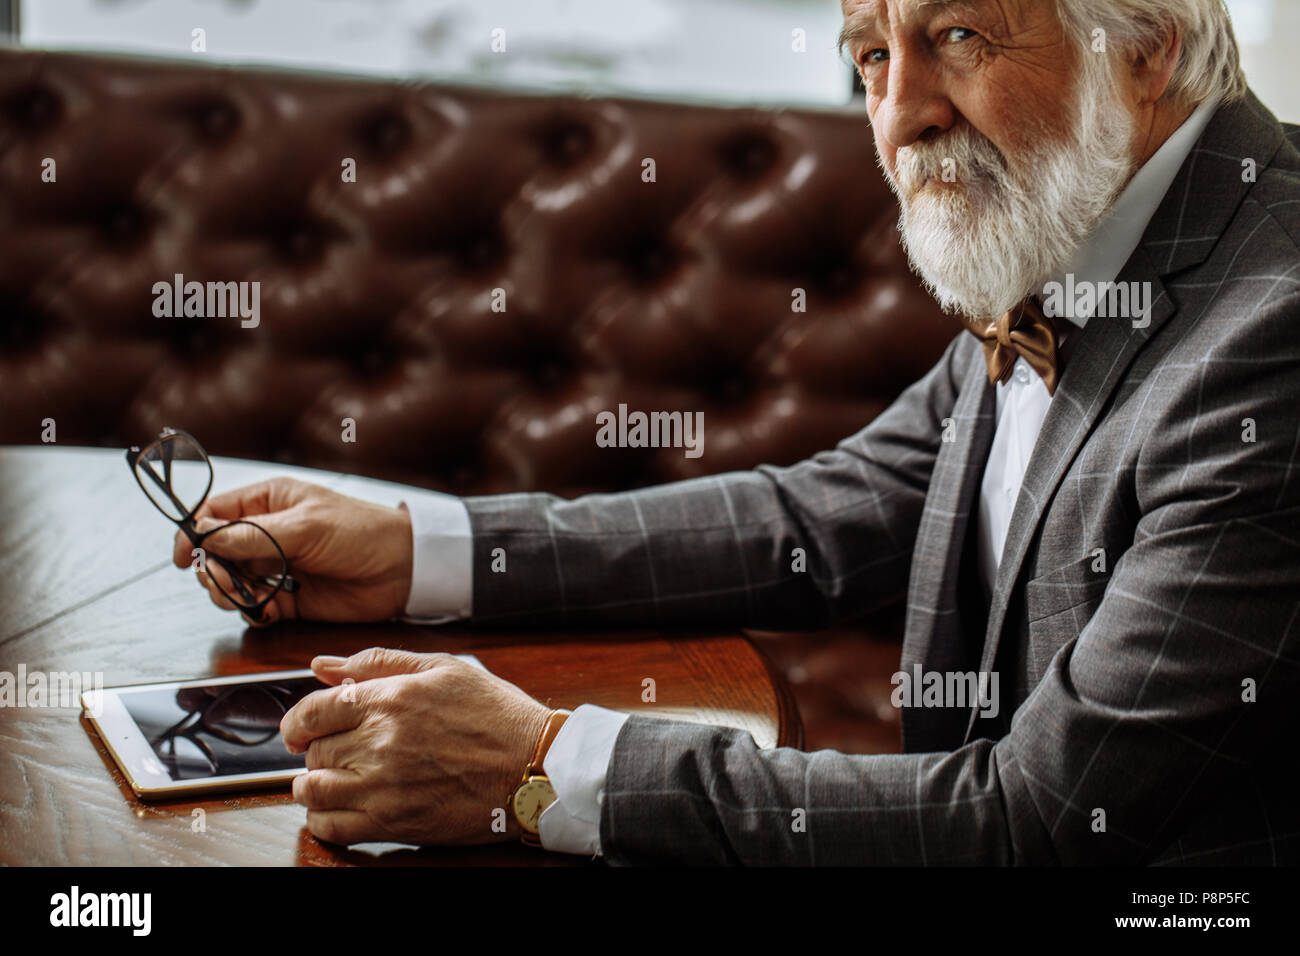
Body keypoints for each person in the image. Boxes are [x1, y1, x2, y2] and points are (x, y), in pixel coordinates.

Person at [175, 0, 1300, 864]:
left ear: (1143, 44)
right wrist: (423, 548)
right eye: (871, 52)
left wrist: (537, 765)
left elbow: (1036, 817)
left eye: (957, 35)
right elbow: (830, 514)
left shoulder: (1273, 330)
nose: (901, 113)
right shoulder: (1099, 213)